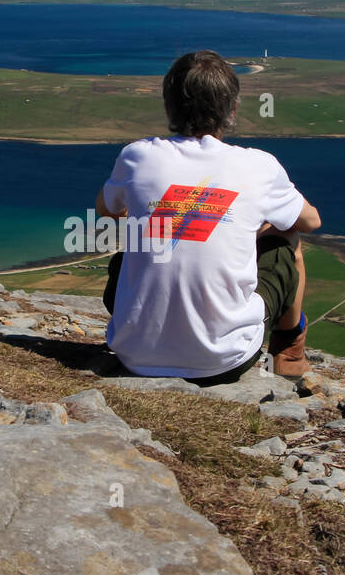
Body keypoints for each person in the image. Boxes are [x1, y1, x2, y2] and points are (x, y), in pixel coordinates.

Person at [96, 50, 321, 383]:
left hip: (135, 356)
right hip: (225, 359)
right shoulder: (258, 165)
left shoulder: (138, 156)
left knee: (130, 256)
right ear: (232, 109)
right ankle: (289, 353)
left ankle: (150, 333)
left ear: (169, 105)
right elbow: (310, 221)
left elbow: (106, 209)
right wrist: (251, 226)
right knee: (288, 240)